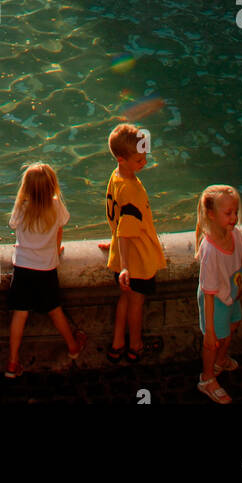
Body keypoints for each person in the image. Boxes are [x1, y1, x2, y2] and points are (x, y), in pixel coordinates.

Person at [4, 162, 86, 379]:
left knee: (19, 315)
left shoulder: (22, 206)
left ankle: (12, 362)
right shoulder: (56, 205)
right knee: (54, 309)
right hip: (46, 267)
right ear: (52, 186)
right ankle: (73, 347)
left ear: (26, 187)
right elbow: (59, 232)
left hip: (22, 266)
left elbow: (15, 228)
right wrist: (56, 250)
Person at [103, 122, 166, 363]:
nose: (145, 163)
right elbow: (127, 232)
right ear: (122, 158)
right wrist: (128, 267)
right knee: (137, 303)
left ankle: (117, 344)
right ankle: (136, 346)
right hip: (137, 260)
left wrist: (117, 251)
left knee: (125, 299)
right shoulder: (133, 191)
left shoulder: (115, 177)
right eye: (139, 160)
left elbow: (116, 220)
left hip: (122, 256)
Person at [196, 184, 242, 404]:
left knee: (232, 327)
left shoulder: (235, 235)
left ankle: (220, 359)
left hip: (232, 294)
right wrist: (209, 331)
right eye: (228, 213)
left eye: (235, 212)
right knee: (213, 341)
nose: (234, 218)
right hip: (215, 300)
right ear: (211, 215)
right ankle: (207, 378)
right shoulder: (210, 250)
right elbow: (207, 294)